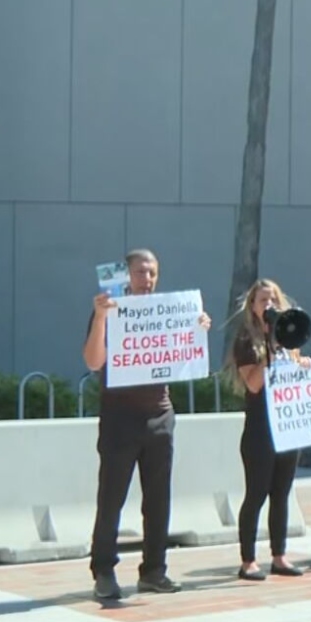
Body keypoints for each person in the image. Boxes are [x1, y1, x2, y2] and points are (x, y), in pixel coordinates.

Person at [81, 248, 214, 600]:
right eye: (140, 272)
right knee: (112, 498)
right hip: (119, 419)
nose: (147, 279)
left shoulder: (168, 311)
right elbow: (94, 361)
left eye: (152, 272)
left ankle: (154, 570)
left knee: (158, 499)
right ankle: (104, 570)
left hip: (160, 416)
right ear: (126, 276)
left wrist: (197, 331)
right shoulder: (111, 312)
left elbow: (186, 358)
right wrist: (99, 320)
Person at [228, 278, 311, 581]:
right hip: (259, 430)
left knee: (282, 494)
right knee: (257, 494)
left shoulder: (289, 337)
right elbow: (252, 383)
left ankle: (279, 556)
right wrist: (268, 354)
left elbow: (294, 378)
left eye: (274, 300)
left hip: (287, 428)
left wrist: (301, 363)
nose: (270, 306)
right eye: (263, 301)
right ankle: (248, 560)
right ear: (252, 307)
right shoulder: (246, 341)